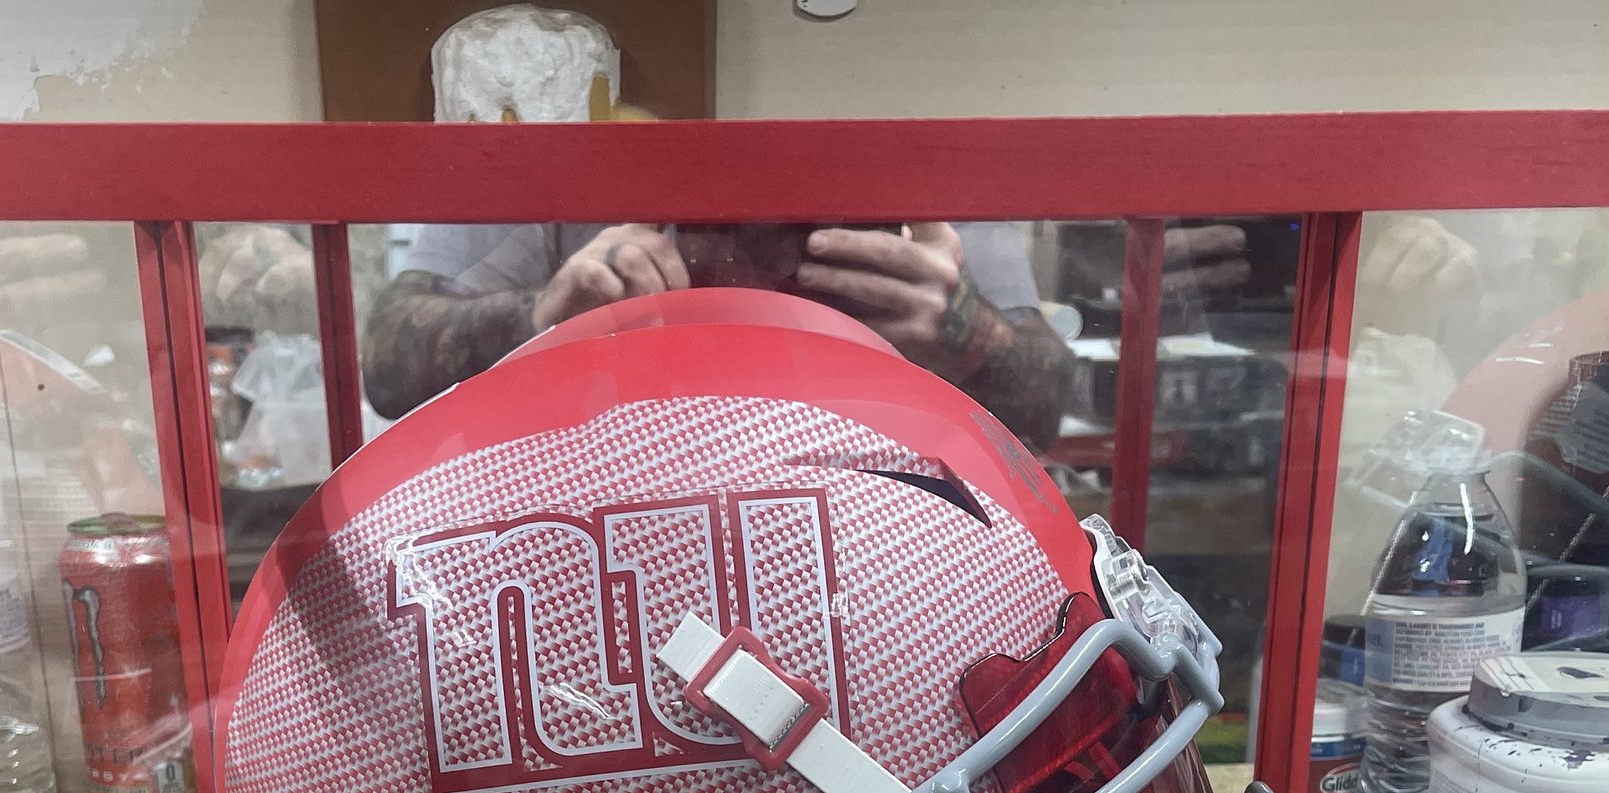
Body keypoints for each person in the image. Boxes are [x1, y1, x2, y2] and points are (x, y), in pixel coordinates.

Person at [360, 220, 1077, 451]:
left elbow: (1045, 405)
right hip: (594, 545)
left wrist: (969, 332)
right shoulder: (578, 121)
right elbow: (387, 364)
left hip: (867, 564)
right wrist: (544, 316)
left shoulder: (914, 150)